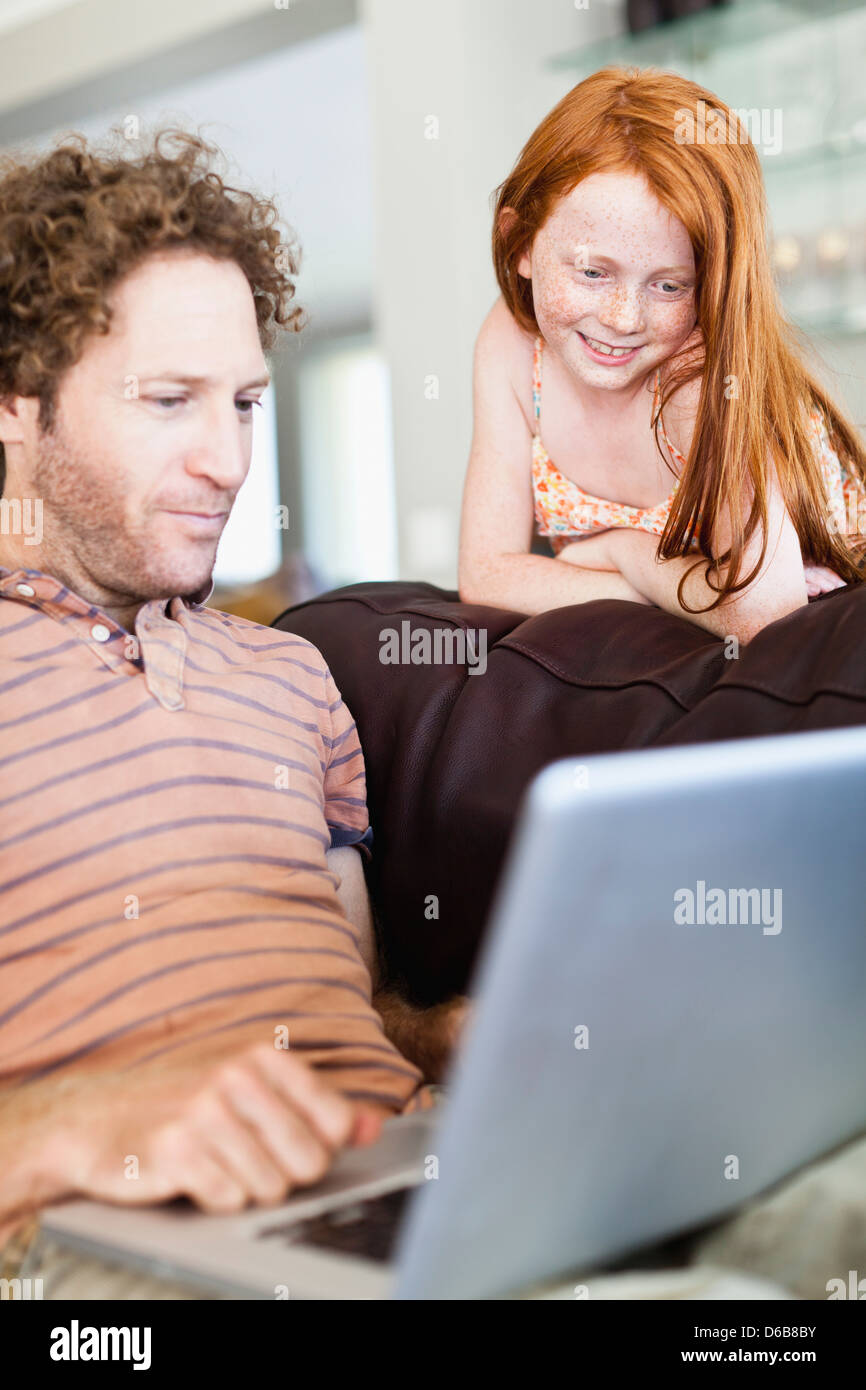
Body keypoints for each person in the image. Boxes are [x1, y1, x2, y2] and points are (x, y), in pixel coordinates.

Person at [0, 128, 467, 1255]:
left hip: (389, 1179)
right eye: (170, 400)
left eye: (246, 404)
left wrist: (457, 1041)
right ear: (18, 403)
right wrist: (70, 1123)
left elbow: (344, 1008)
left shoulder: (288, 676)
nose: (228, 460)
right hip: (108, 1244)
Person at [458, 66, 866, 645]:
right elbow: (486, 573)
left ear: (712, 282)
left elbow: (765, 608)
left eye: (670, 285)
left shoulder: (693, 381)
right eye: (594, 272)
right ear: (521, 243)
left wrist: (614, 550)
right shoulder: (511, 342)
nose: (624, 318)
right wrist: (658, 585)